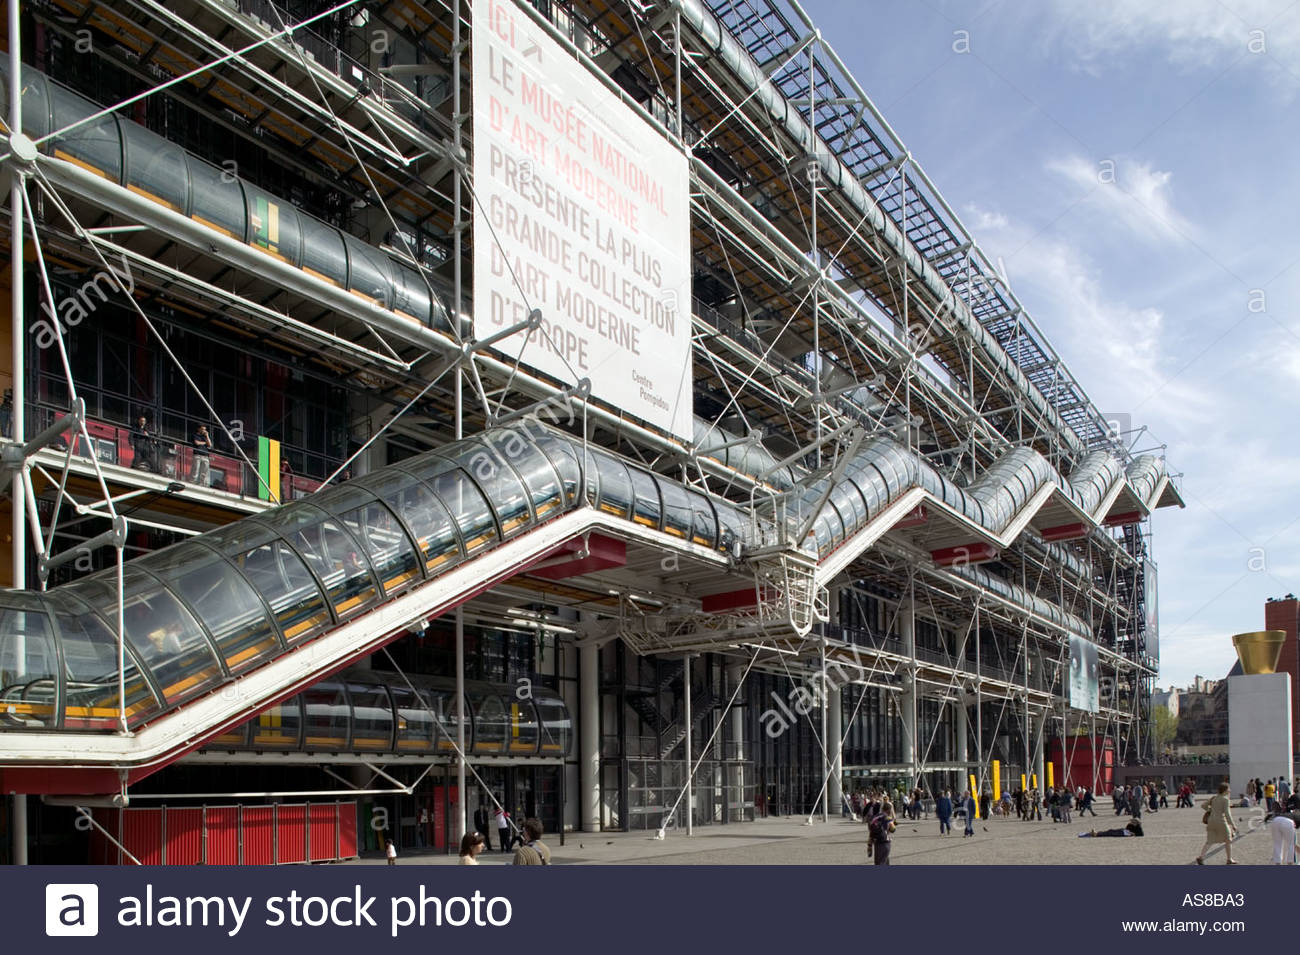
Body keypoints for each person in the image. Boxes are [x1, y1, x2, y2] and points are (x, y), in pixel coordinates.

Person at [1195, 782, 1238, 865]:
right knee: (1228, 840)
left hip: (1211, 821)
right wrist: (1233, 825)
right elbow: (1227, 814)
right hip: (1221, 822)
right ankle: (1229, 859)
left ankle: (1201, 857)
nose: (1230, 790)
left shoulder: (1214, 798)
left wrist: (1210, 810)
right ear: (1225, 790)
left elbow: (1203, 805)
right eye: (1229, 789)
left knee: (1210, 841)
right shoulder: (1225, 799)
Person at [867, 801, 896, 865]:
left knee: (879, 862)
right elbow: (893, 829)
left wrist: (869, 846)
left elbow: (871, 833)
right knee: (883, 862)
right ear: (889, 810)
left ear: (882, 809)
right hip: (885, 843)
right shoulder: (888, 818)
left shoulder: (874, 818)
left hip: (877, 843)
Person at [1078, 820, 1144, 838]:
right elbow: (1127, 828)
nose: (1131, 822)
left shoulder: (1138, 827)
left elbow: (1141, 834)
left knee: (1110, 833)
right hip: (1124, 831)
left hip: (1125, 834)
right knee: (1110, 830)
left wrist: (1133, 834)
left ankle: (1096, 834)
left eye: (1133, 822)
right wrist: (1130, 825)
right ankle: (1096, 833)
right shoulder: (1130, 825)